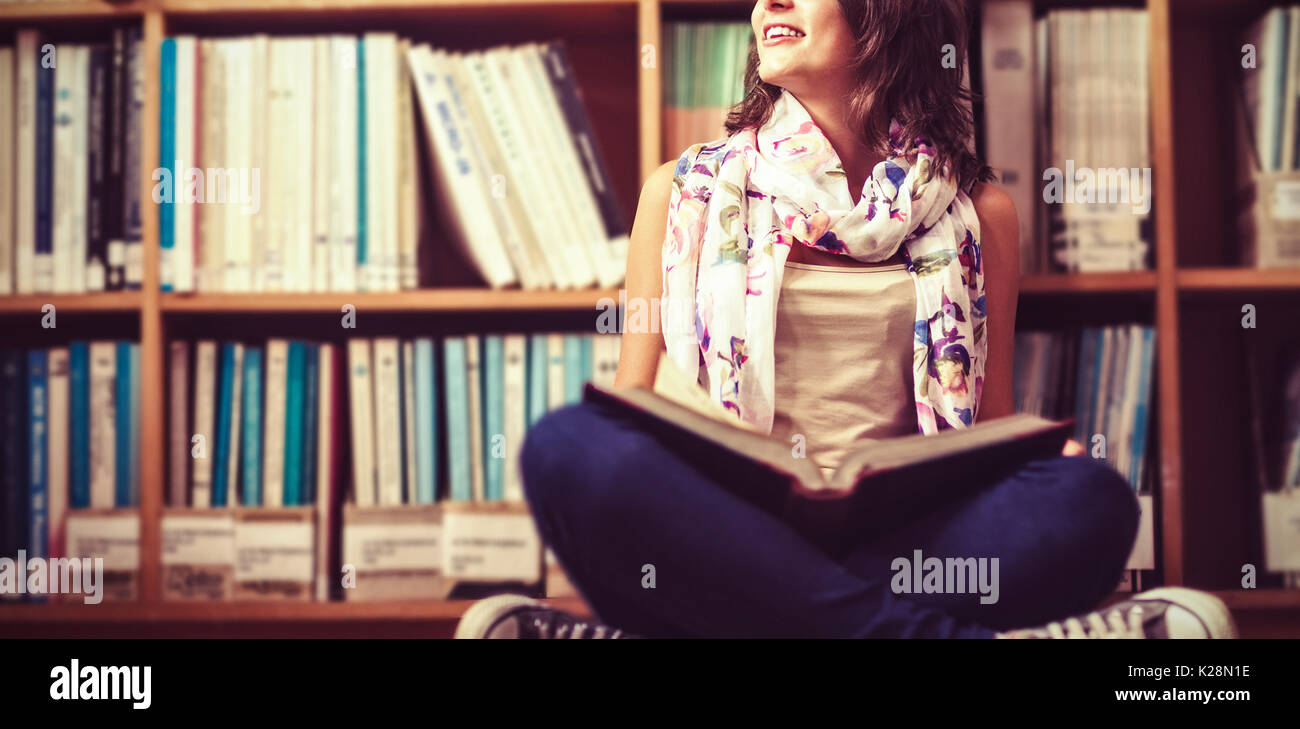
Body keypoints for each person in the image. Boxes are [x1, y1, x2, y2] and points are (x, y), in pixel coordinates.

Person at [455, 0, 1234, 639]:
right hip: (727, 535)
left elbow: (981, 431)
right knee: (572, 449)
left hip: (903, 544)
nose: (770, 3)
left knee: (1089, 497)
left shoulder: (977, 213)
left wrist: (1035, 458)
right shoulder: (681, 191)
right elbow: (633, 422)